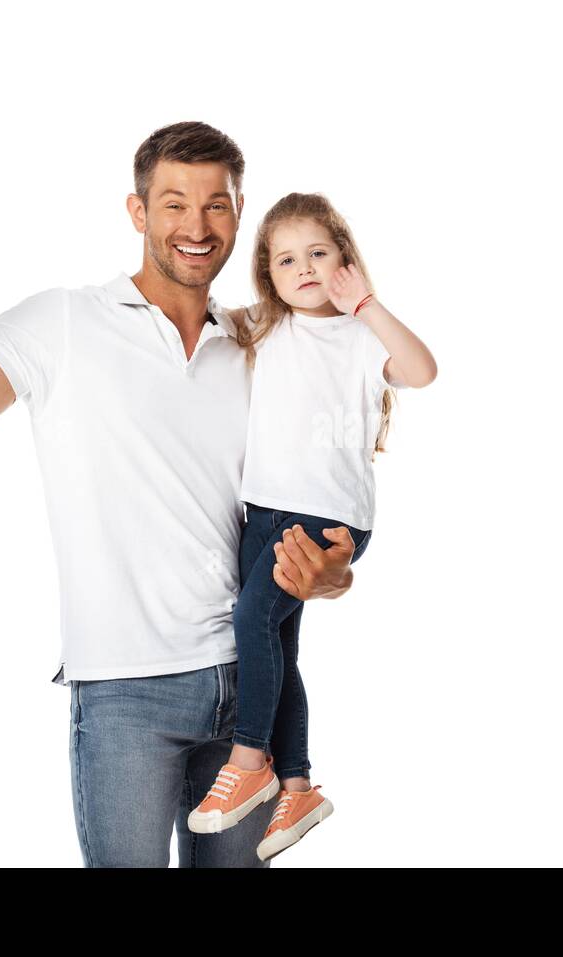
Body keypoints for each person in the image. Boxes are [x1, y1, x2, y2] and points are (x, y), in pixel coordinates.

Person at [0, 122, 358, 867]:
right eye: (173, 204)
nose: (196, 227)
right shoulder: (65, 323)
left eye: (217, 206)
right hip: (128, 696)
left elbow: (320, 489)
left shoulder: (261, 343)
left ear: (239, 214)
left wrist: (334, 571)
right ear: (137, 213)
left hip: (252, 692)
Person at [184, 194, 436, 861]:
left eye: (319, 253)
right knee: (273, 645)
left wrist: (368, 304)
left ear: (344, 262)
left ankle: (248, 759)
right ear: (268, 271)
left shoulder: (359, 336)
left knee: (249, 621)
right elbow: (193, 317)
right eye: (287, 258)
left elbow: (421, 370)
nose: (304, 267)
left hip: (328, 517)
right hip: (261, 511)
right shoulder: (266, 327)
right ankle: (297, 784)